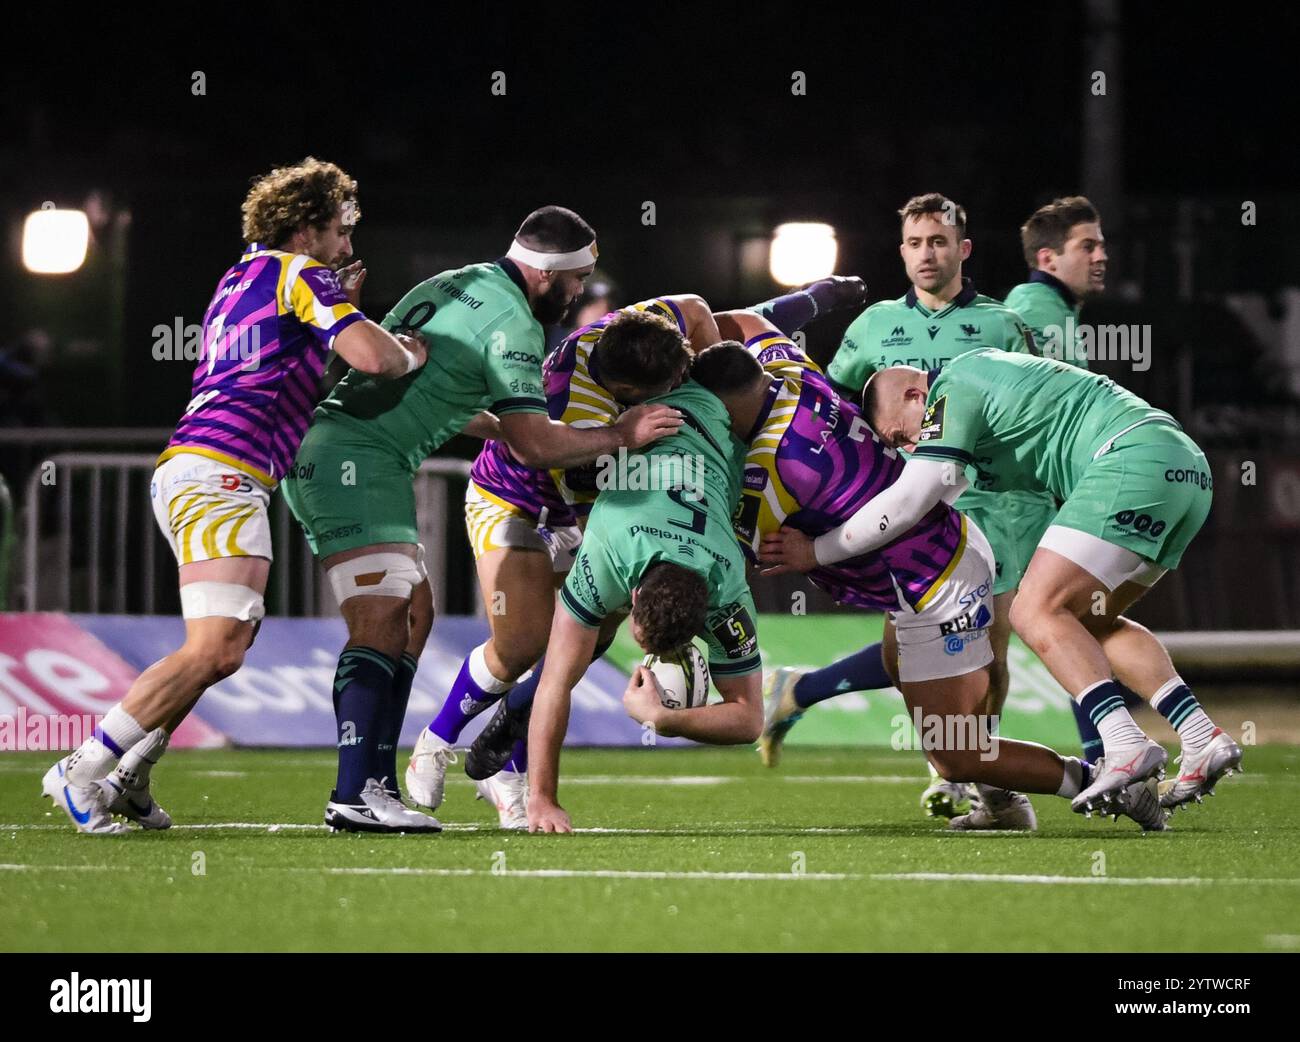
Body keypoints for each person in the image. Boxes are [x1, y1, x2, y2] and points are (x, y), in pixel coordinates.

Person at [43, 157, 427, 834]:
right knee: (217, 646)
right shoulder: (299, 272)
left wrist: (344, 316)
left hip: (203, 470)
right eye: (339, 230)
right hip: (221, 474)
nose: (347, 245)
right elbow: (376, 359)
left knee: (229, 640)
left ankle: (134, 772)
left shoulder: (241, 277)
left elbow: (286, 370)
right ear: (306, 229)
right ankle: (83, 768)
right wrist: (407, 349)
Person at [281, 205, 683, 832]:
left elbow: (409, 377)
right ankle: (355, 792)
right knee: (384, 622)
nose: (579, 291)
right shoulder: (516, 323)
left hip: (355, 451)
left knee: (412, 618)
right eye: (577, 278)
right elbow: (534, 448)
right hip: (357, 460)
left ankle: (380, 783)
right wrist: (620, 434)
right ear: (550, 274)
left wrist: (491, 421)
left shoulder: (452, 283)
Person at [706, 318, 1163, 831]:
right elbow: (748, 322)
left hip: (934, 584)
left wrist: (809, 553)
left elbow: (725, 548)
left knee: (955, 755)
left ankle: (1102, 784)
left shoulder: (775, 467)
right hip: (941, 554)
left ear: (721, 406)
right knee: (900, 669)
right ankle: (1003, 802)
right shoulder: (792, 372)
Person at [767, 350, 1241, 816]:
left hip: (1129, 459)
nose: (908, 448)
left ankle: (1124, 742)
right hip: (1184, 470)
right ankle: (1201, 736)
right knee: (1094, 621)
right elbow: (935, 497)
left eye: (901, 435)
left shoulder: (954, 385)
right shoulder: (984, 415)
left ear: (916, 395)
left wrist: (816, 551)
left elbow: (909, 499)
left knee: (1033, 611)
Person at [760, 193, 1046, 825]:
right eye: (916, 243)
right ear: (902, 253)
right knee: (906, 649)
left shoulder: (1003, 327)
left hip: (990, 508)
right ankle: (954, 764)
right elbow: (837, 407)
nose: (927, 254)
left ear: (963, 250)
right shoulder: (873, 326)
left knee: (990, 649)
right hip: (906, 511)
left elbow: (1034, 413)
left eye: (939, 242)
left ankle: (978, 782)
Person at [406, 297, 714, 828]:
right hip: (517, 500)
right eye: (654, 395)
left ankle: (508, 767)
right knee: (526, 640)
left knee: (587, 636)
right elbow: (597, 525)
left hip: (587, 502)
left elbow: (700, 310)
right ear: (622, 394)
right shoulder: (574, 406)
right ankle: (435, 740)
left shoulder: (648, 330)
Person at [525, 365, 764, 834]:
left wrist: (665, 720)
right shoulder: (607, 552)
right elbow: (554, 681)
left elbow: (751, 721)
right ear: (632, 596)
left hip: (720, 414)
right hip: (666, 400)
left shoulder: (728, 588)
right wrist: (541, 800)